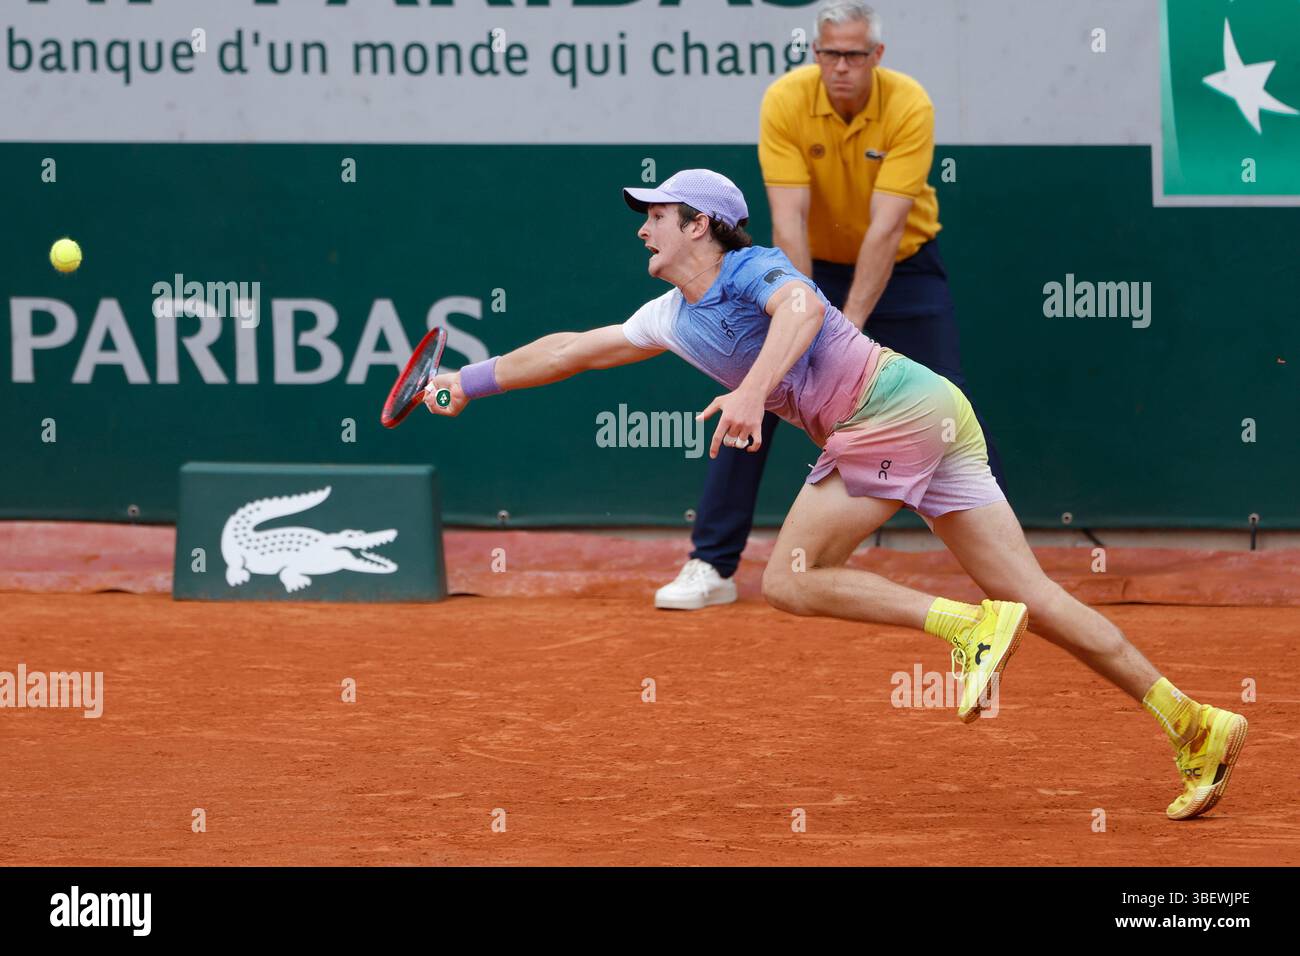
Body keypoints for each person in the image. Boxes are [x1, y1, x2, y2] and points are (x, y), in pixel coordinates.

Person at [422, 168, 1247, 821]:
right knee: (1032, 591)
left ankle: (965, 626)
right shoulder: (671, 314)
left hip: (887, 412)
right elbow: (573, 349)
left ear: (700, 225)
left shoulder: (754, 269)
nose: (642, 226)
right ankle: (1193, 722)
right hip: (931, 407)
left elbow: (801, 310)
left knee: (787, 578)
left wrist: (751, 393)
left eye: (657, 214)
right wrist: (469, 380)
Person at [655, 0, 1007, 612]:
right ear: (815, 53)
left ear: (877, 56)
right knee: (753, 396)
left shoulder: (909, 104)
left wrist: (842, 336)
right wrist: (797, 322)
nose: (841, 66)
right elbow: (788, 219)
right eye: (829, 54)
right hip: (802, 271)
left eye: (854, 54)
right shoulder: (786, 101)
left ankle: (1004, 573)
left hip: (903, 267)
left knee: (945, 400)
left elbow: (886, 228)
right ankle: (711, 564)